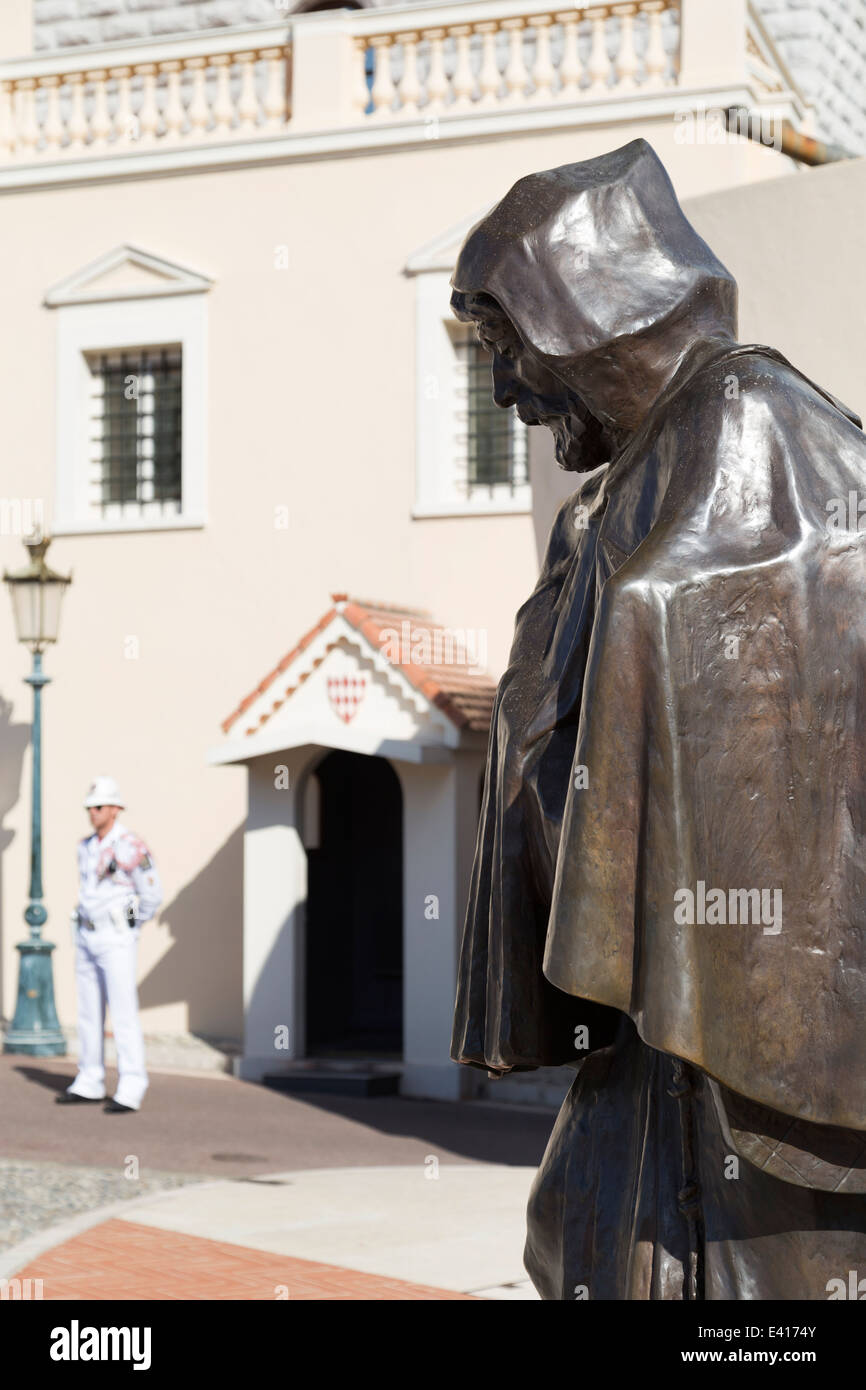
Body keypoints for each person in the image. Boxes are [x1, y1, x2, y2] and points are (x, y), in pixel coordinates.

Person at [449, 139, 866, 1299]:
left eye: (506, 346)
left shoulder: (757, 438)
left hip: (743, 1088)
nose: (504, 390)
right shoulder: (621, 493)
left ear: (588, 319)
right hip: (651, 1058)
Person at [57, 776, 162, 1113]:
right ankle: (89, 1079)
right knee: (88, 1012)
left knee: (123, 1012)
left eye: (99, 806)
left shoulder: (131, 845)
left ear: (115, 809)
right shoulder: (85, 846)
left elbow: (150, 894)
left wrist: (130, 927)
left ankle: (131, 1085)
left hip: (115, 937)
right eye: (89, 807)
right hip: (87, 934)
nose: (93, 812)